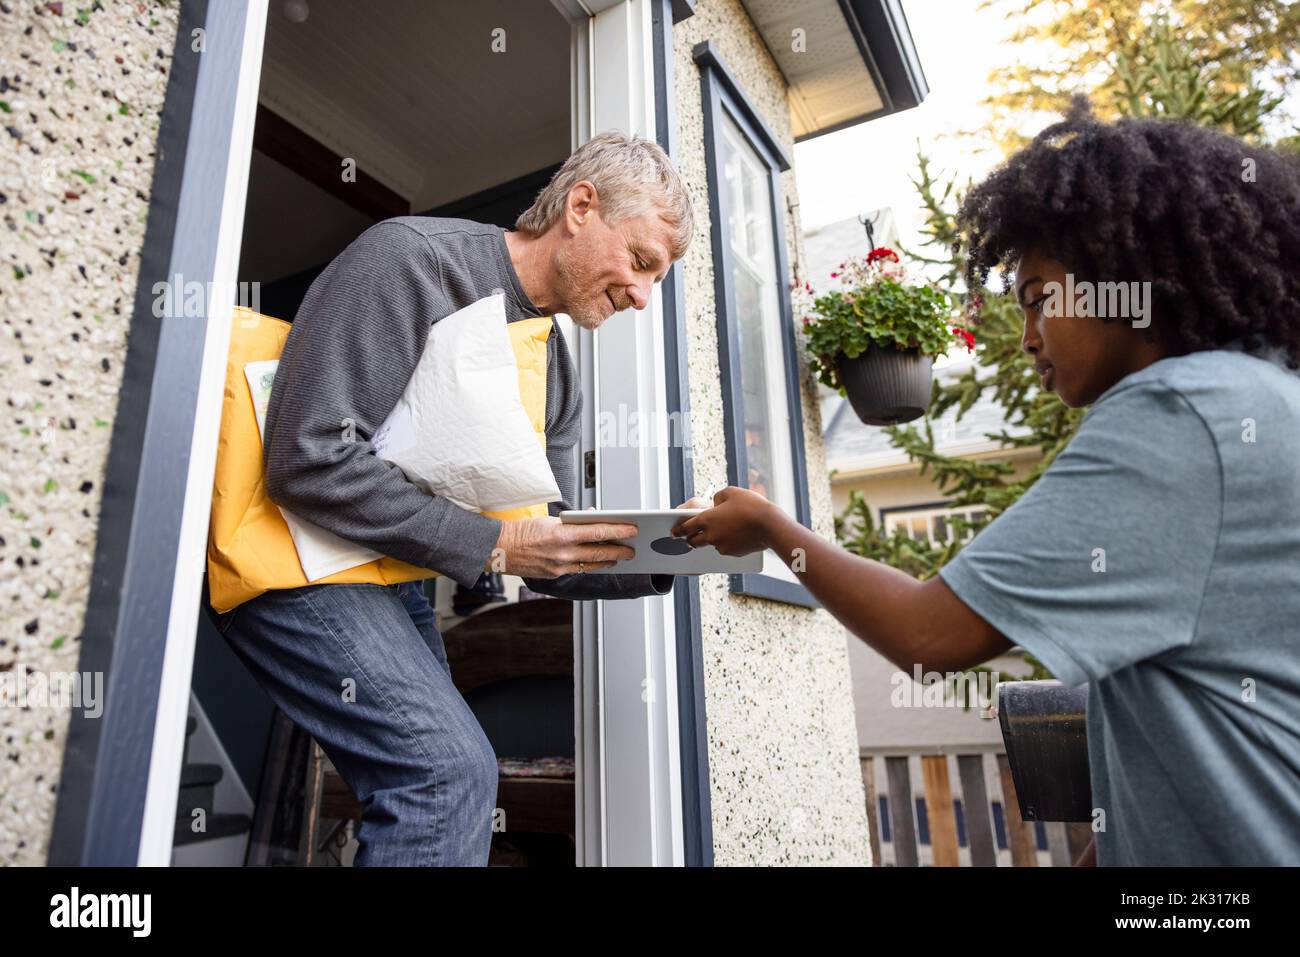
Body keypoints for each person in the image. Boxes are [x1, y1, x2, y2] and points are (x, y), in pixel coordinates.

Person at [673, 99, 1300, 866]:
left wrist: (773, 528)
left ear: (1124, 274)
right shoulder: (1260, 399)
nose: (1028, 336)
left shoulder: (1180, 416)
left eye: (1039, 299)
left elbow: (930, 636)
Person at [207, 131, 695, 866]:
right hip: (293, 562)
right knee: (446, 776)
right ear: (582, 207)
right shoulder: (409, 259)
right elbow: (307, 457)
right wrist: (494, 543)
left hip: (389, 577)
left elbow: (542, 544)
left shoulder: (558, 372)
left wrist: (679, 545)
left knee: (447, 779)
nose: (643, 295)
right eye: (642, 262)